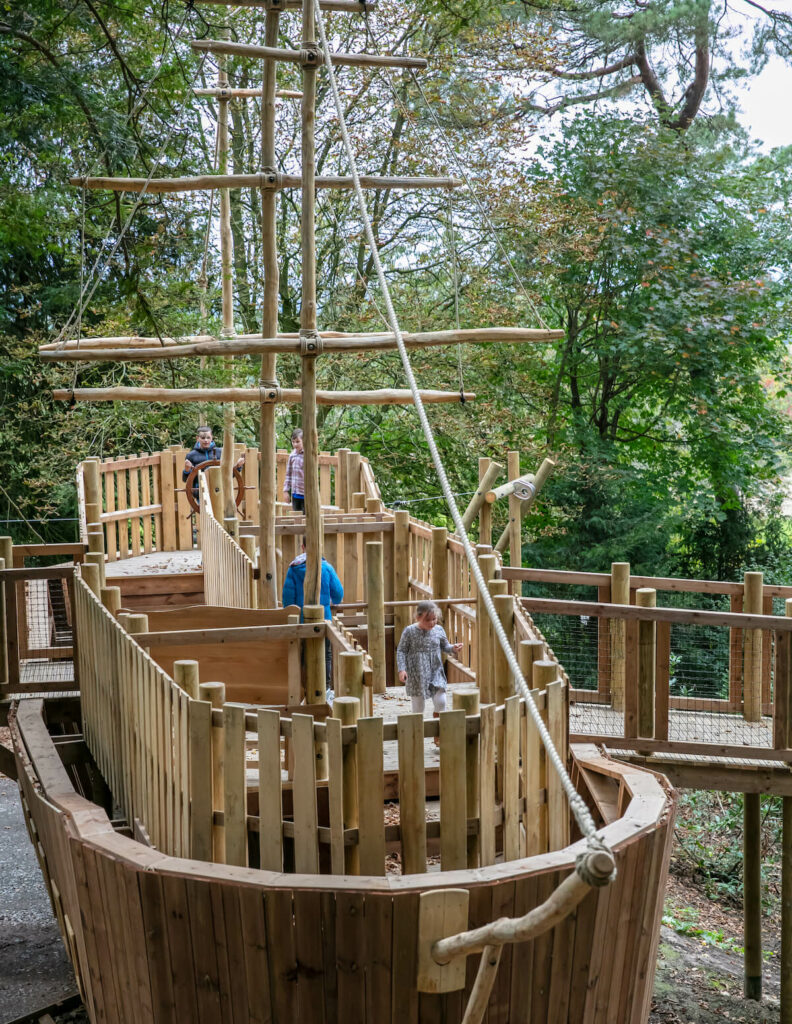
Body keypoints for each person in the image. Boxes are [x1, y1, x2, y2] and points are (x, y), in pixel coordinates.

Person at [282, 537, 343, 686]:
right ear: (320, 547)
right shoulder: (327, 568)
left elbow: (288, 600)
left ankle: (304, 687)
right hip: (324, 620)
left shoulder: (293, 568)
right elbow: (338, 595)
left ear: (302, 547)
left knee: (302, 655)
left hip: (301, 623)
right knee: (325, 655)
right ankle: (325, 687)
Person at [397, 601, 463, 738]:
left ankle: (439, 733)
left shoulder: (439, 630)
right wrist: (402, 669)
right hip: (417, 673)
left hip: (435, 670)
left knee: (441, 701)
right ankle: (416, 735)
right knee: (418, 707)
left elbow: (445, 646)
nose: (432, 622)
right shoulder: (409, 631)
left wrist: (453, 648)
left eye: (434, 619)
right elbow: (401, 651)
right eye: (428, 620)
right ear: (418, 617)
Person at [182, 426, 244, 498]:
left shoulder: (220, 453)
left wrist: (238, 467)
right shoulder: (191, 455)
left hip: (220, 492)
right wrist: (186, 470)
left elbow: (228, 475)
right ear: (197, 438)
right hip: (200, 494)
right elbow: (186, 480)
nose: (206, 440)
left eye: (208, 438)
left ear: (212, 438)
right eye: (203, 438)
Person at [283, 428, 305, 511]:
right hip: (295, 494)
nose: (295, 444)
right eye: (293, 442)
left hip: (306, 494)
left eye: (298, 441)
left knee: (307, 518)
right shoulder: (292, 455)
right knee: (297, 517)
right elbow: (288, 474)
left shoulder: (307, 455)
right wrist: (285, 491)